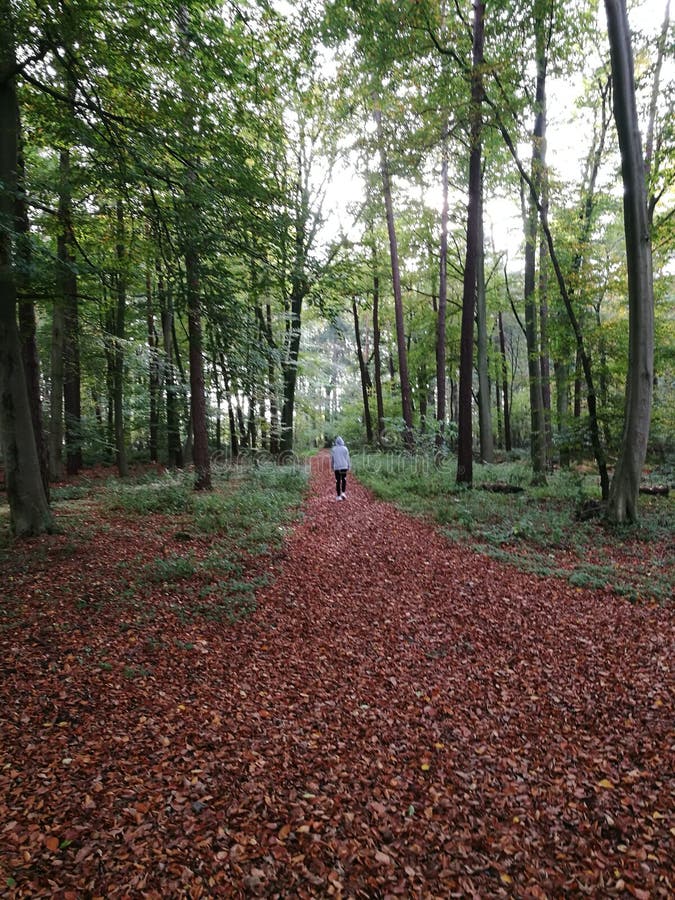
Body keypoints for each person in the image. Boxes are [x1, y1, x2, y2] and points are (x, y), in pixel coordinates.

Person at [330, 436, 350, 501]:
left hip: (337, 467)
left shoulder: (334, 449)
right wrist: (349, 466)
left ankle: (338, 496)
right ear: (342, 441)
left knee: (337, 481)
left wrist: (332, 466)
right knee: (344, 479)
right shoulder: (345, 449)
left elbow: (332, 459)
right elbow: (347, 458)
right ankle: (343, 493)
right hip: (344, 467)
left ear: (336, 442)